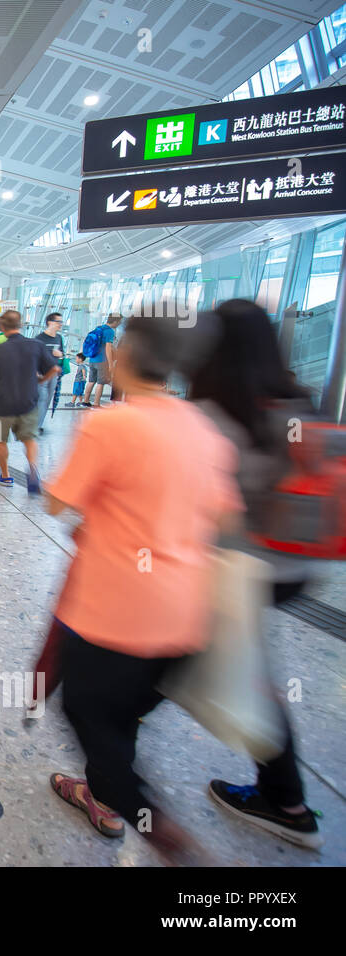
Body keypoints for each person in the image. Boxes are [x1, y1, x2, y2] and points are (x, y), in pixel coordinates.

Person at [44, 314, 243, 863]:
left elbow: (58, 501)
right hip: (188, 620)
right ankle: (102, 795)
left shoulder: (113, 425)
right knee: (124, 712)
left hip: (115, 613)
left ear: (123, 357)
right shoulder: (204, 428)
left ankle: (158, 829)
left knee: (87, 713)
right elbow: (225, 521)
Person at [187, 299, 323, 849]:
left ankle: (111, 777)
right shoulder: (298, 404)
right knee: (254, 666)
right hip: (293, 567)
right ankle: (286, 799)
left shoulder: (219, 415)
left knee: (150, 662)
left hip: (234, 568)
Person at [0, 310, 57, 494]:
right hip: (28, 403)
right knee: (29, 439)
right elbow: (54, 368)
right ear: (20, 324)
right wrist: (40, 380)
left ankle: (5, 476)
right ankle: (32, 471)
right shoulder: (36, 345)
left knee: (0, 440)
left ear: (2, 327)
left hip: (1, 405)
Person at [79, 313, 121, 407]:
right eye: (119, 322)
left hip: (92, 359)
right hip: (102, 360)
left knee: (91, 381)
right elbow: (108, 348)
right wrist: (110, 363)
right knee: (101, 383)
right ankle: (97, 404)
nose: (119, 324)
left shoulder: (99, 328)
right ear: (115, 321)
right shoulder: (110, 331)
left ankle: (86, 401)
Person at [33, 312, 64, 434]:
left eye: (61, 322)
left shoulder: (59, 338)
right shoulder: (39, 339)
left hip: (53, 375)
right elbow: (33, 357)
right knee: (42, 398)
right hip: (41, 374)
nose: (60, 324)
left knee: (47, 400)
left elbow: (62, 354)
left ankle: (38, 424)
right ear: (49, 322)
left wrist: (60, 354)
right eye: (58, 322)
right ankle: (34, 427)